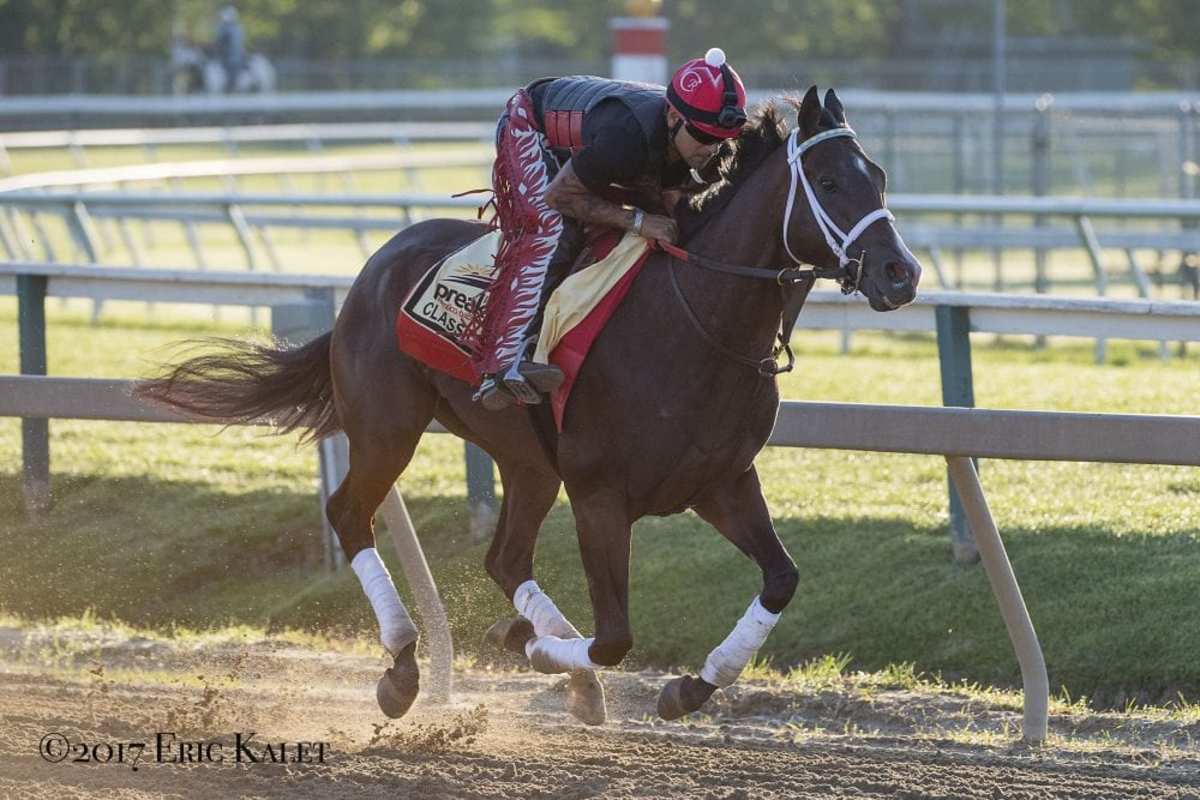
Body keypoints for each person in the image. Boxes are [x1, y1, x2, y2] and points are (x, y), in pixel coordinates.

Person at [472, 48, 749, 411]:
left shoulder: (701, 146)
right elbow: (559, 196)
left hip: (591, 146)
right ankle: (504, 362)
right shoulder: (626, 138)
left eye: (720, 138)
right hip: (529, 124)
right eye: (700, 134)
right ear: (672, 116)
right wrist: (637, 221)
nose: (710, 148)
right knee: (555, 230)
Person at [214, 5, 245, 93]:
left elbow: (220, 43)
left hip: (231, 59)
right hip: (238, 57)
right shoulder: (238, 28)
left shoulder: (225, 29)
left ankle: (231, 89)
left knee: (231, 78)